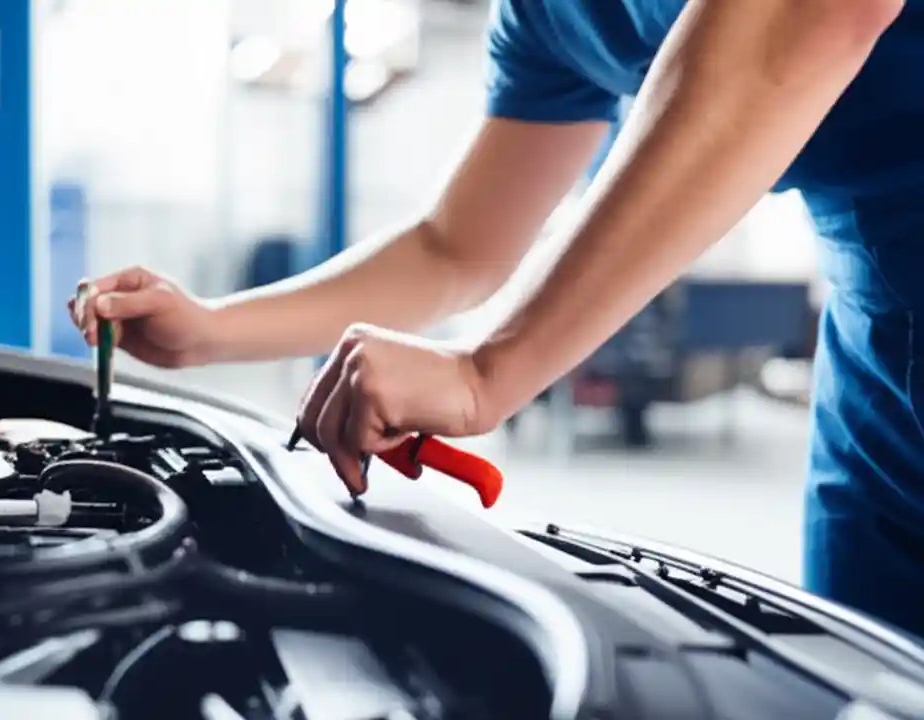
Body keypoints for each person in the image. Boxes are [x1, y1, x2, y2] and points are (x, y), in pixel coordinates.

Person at [73, 0, 924, 639]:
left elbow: (800, 26)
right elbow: (457, 246)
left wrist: (487, 372)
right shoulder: (551, 16)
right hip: (879, 353)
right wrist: (214, 329)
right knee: (872, 670)